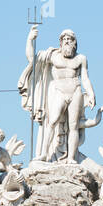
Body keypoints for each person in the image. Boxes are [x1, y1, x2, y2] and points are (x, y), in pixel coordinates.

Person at [18, 25, 95, 164]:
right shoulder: (53, 55)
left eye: (70, 39)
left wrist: (91, 94)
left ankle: (71, 158)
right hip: (59, 90)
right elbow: (32, 58)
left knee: (73, 126)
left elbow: (85, 78)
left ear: (74, 43)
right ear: (60, 42)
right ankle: (43, 154)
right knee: (51, 122)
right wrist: (30, 39)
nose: (67, 41)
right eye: (64, 39)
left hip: (75, 90)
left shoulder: (81, 58)